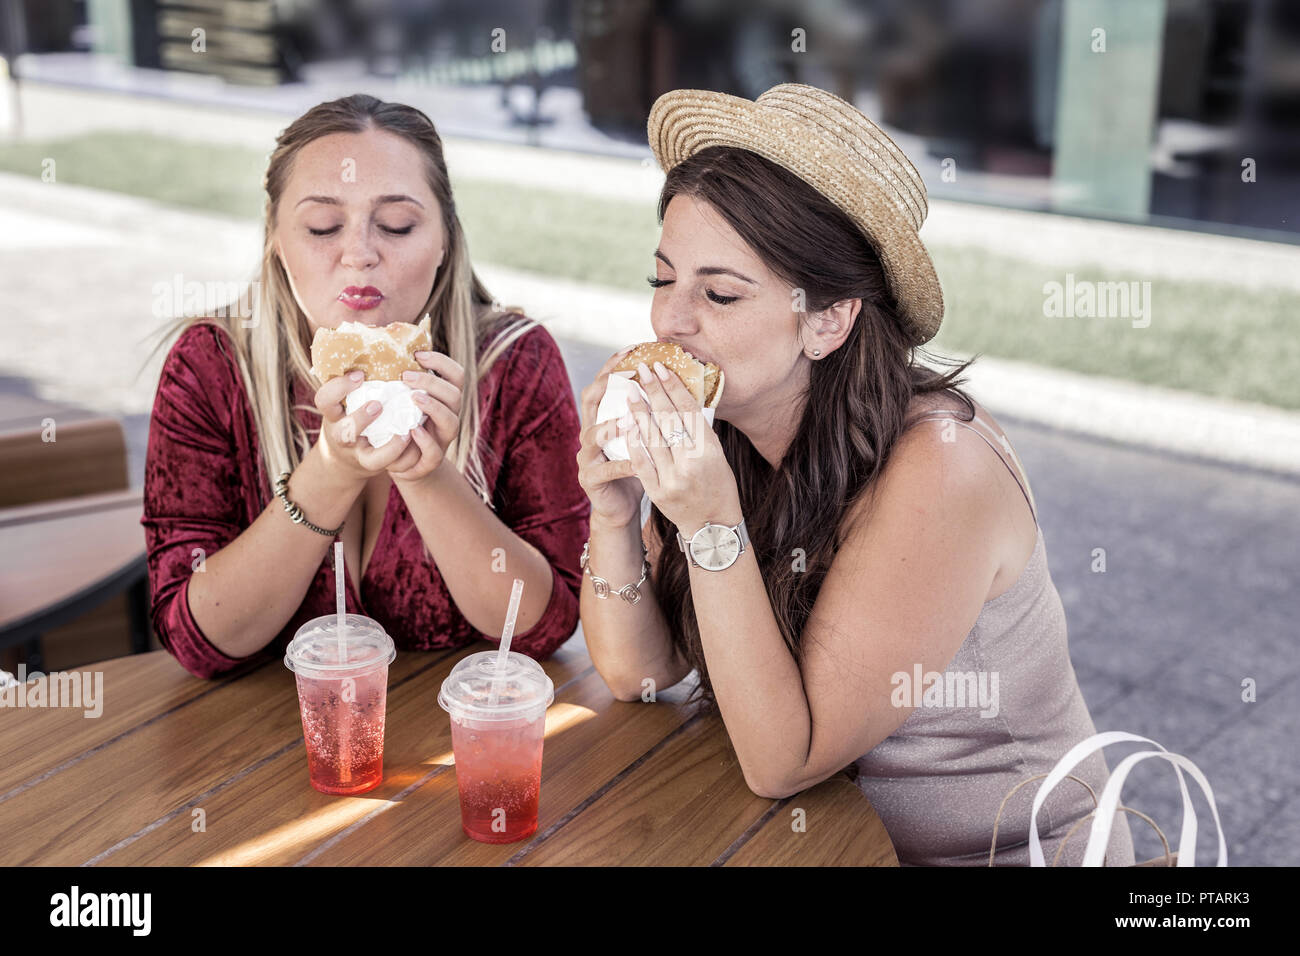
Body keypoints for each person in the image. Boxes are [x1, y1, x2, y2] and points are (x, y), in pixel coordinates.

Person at [575, 84, 1135, 867]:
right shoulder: (729, 431)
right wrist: (612, 516)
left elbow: (784, 761)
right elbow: (641, 671)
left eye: (721, 292)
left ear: (829, 319)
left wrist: (711, 527)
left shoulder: (942, 469)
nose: (671, 319)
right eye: (662, 279)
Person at [141, 93, 588, 680]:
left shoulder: (514, 361)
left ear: (446, 237)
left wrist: (427, 476)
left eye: (397, 225)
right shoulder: (211, 366)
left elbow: (544, 626)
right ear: (276, 238)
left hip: (461, 736)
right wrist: (332, 471)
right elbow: (198, 640)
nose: (359, 255)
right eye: (323, 226)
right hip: (264, 746)